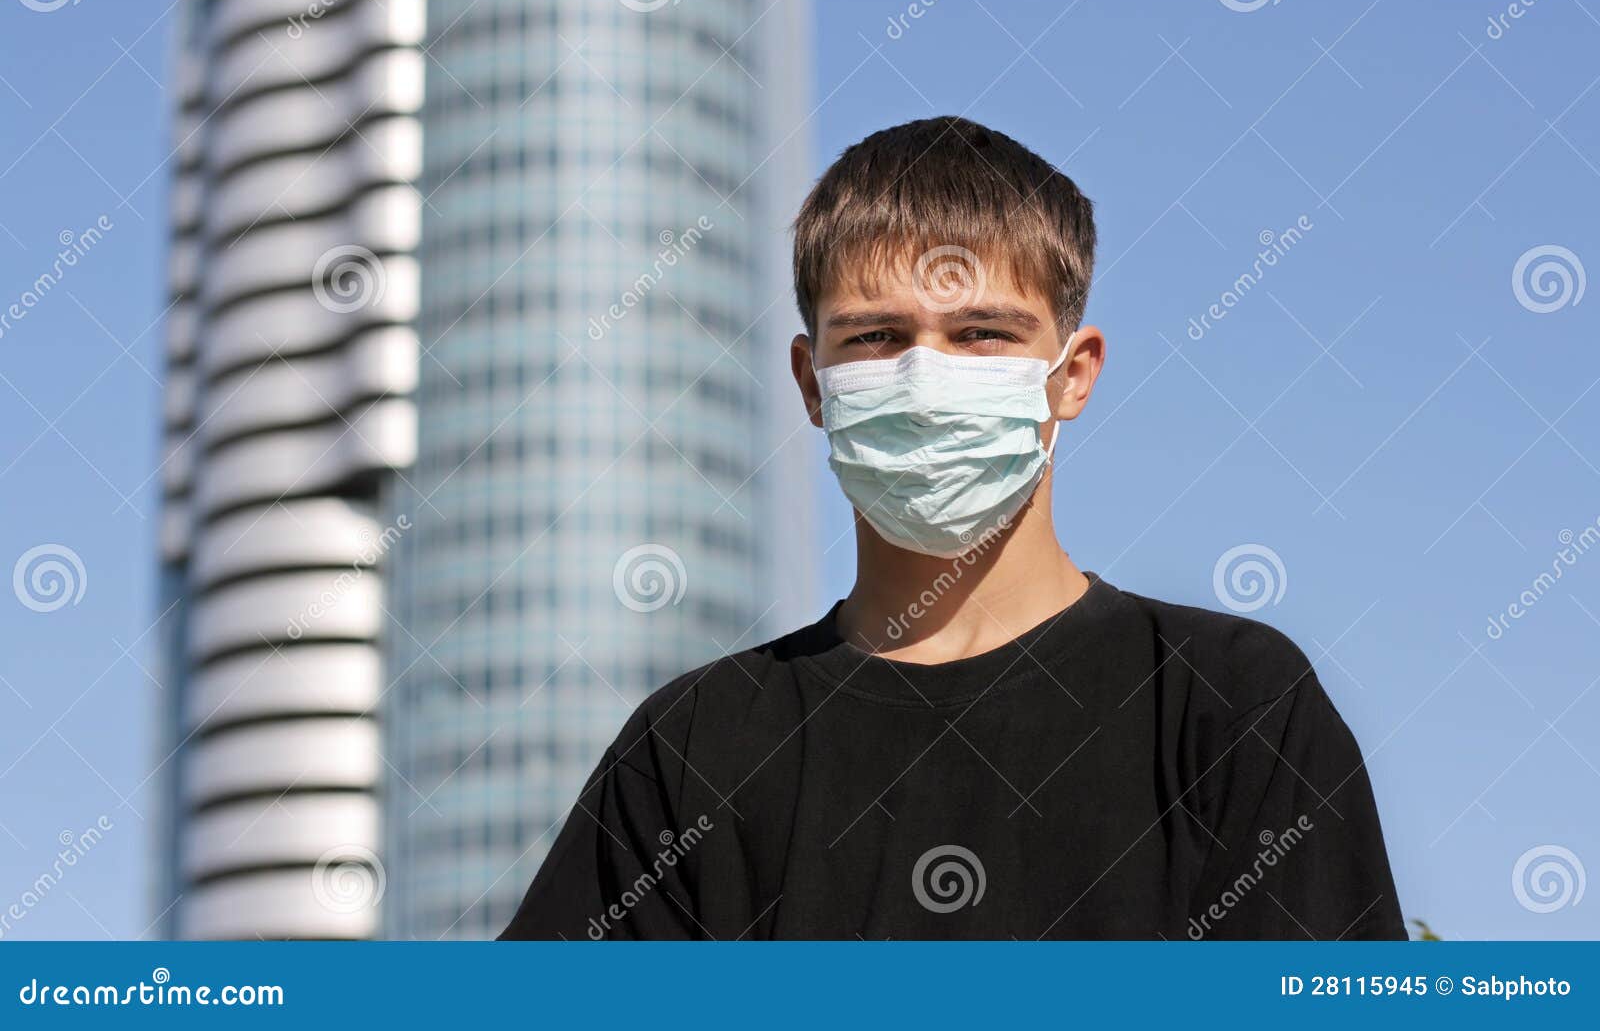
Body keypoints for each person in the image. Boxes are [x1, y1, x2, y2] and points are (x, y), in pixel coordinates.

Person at [500, 115, 1405, 940]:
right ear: (812, 384)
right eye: (876, 338)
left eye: (981, 334)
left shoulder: (1229, 706)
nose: (924, 380)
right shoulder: (694, 745)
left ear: (1073, 373)